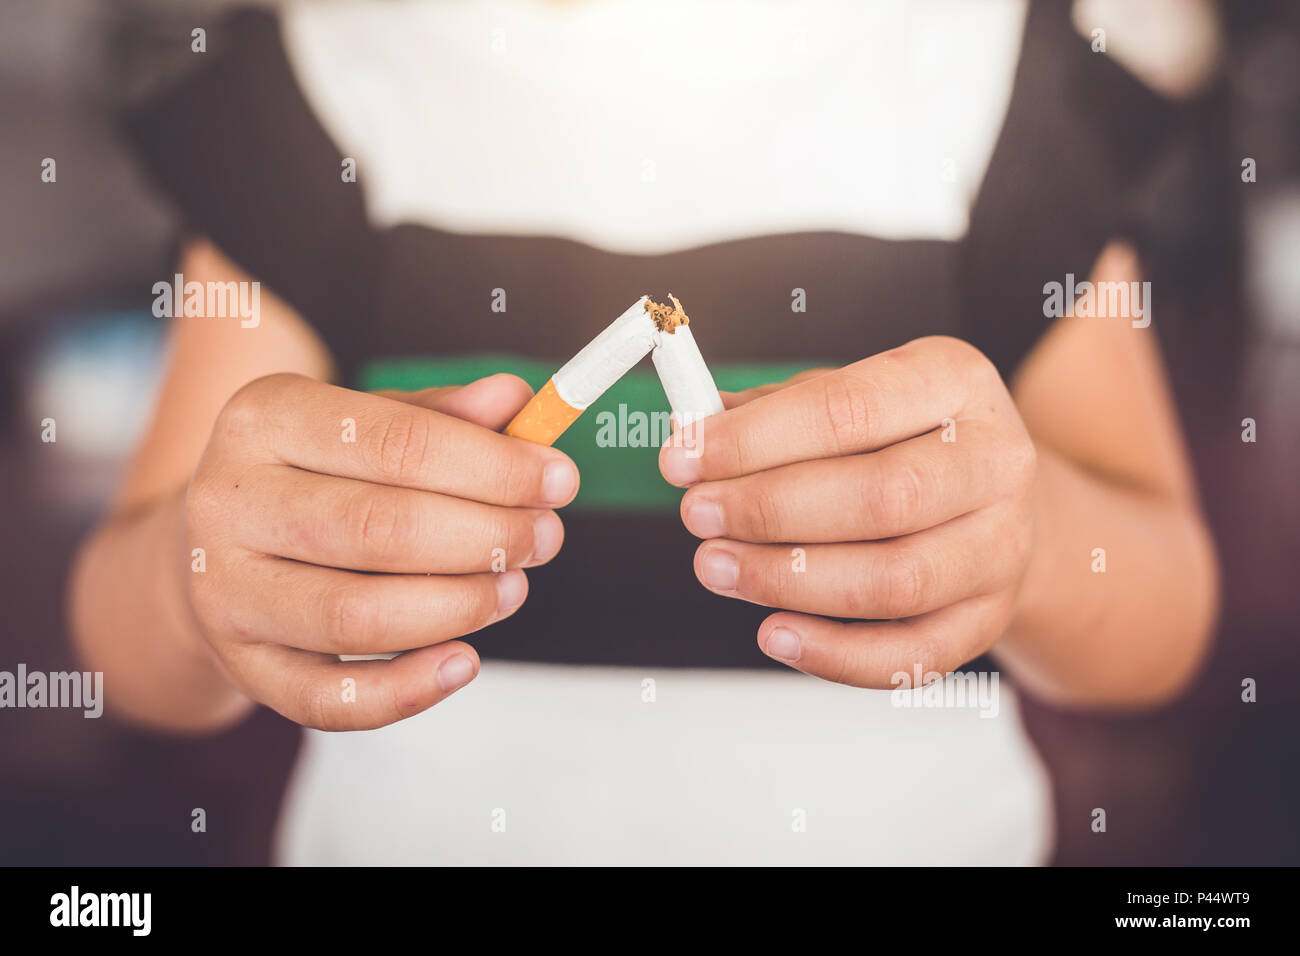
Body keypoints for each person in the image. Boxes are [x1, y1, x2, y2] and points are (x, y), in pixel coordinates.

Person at [71, 1, 1218, 864]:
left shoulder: (998, 61)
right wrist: (197, 581)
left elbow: (1160, 618)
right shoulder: (322, 68)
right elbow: (132, 649)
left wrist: (1038, 543)